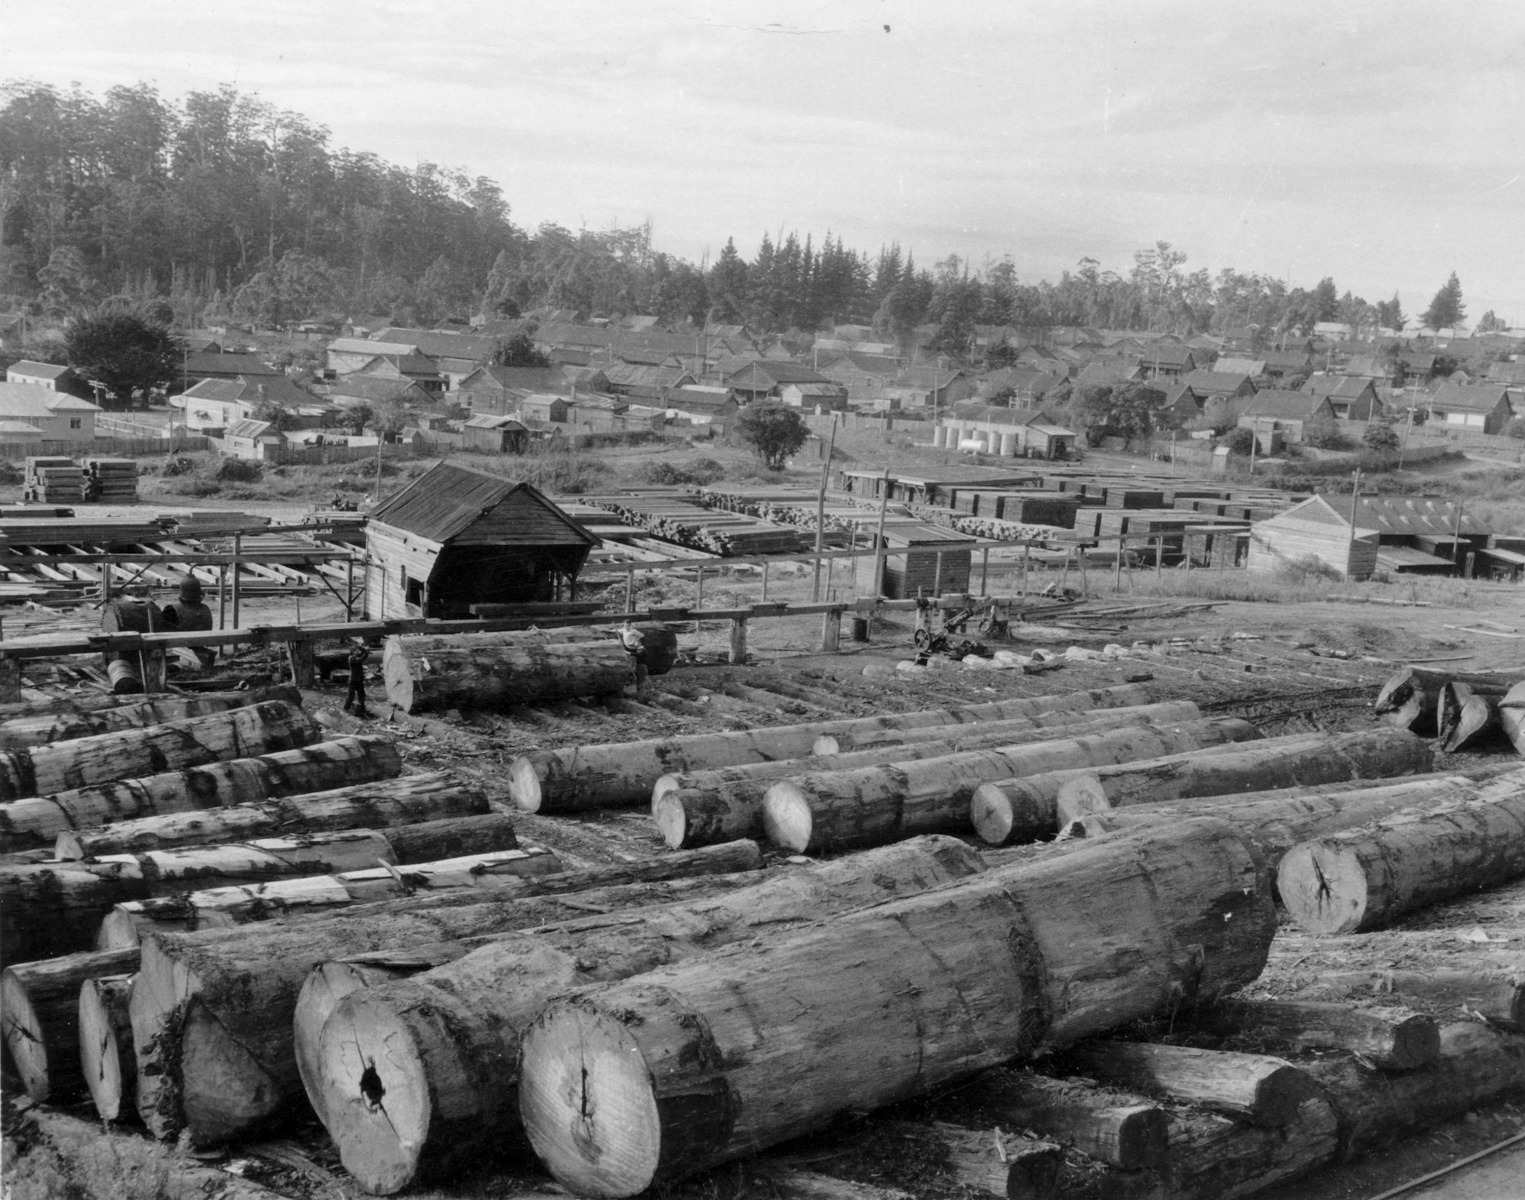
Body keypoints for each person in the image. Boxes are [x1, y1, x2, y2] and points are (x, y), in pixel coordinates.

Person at [344, 639, 372, 717]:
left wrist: (363, 649)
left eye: (357, 651)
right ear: (352, 652)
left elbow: (362, 654)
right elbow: (361, 660)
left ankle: (362, 709)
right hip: (353, 680)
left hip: (359, 680)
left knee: (362, 694)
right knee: (351, 695)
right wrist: (366, 652)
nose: (357, 652)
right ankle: (346, 708)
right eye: (356, 651)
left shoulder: (355, 656)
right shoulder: (351, 658)